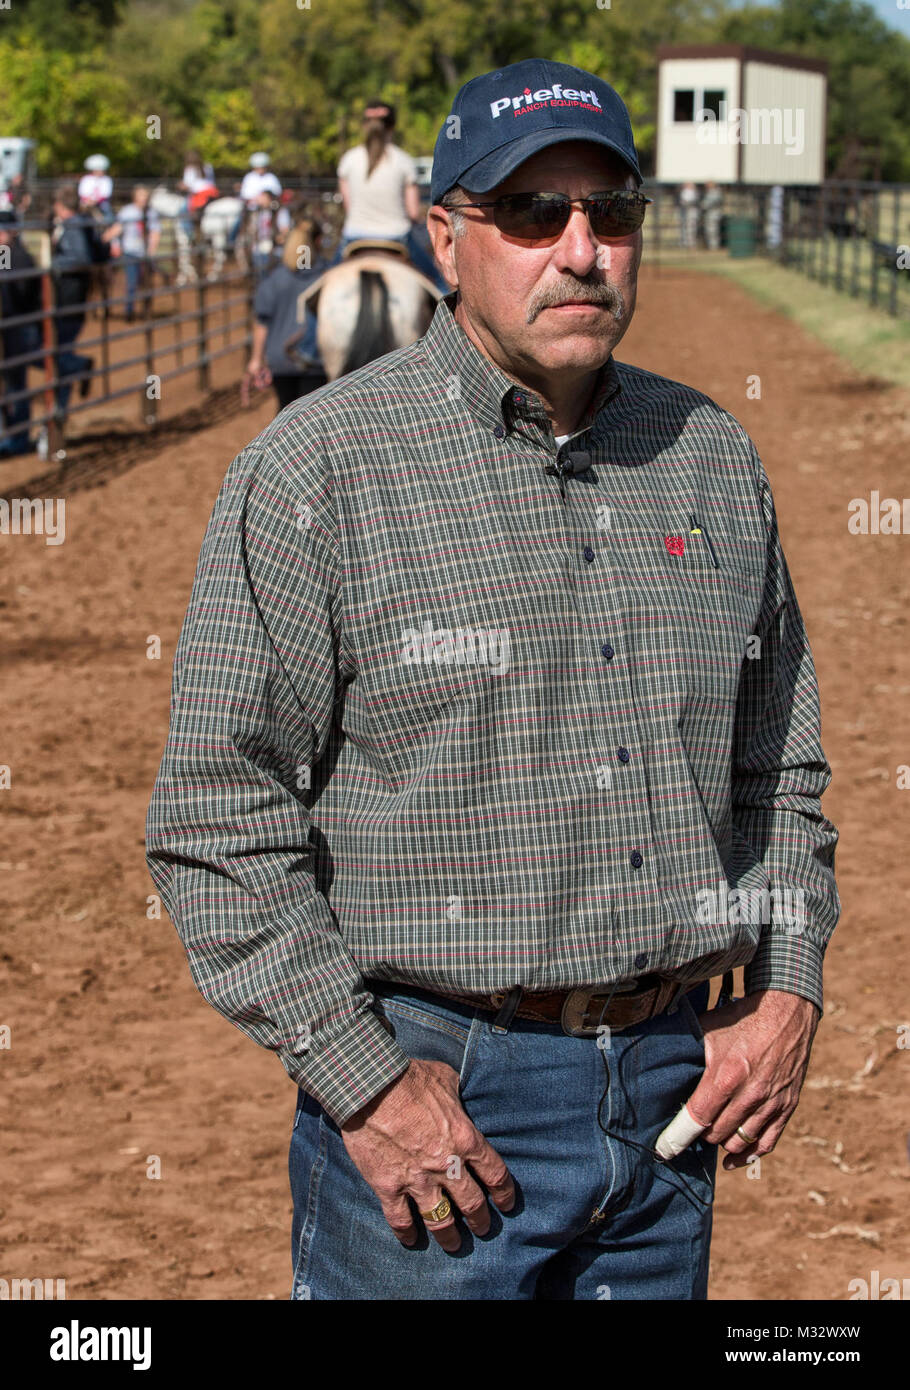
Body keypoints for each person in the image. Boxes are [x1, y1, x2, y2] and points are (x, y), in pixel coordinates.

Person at [146, 58, 840, 1301]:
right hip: (442, 1109)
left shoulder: (712, 460)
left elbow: (777, 772)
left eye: (609, 212)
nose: (580, 249)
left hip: (670, 1105)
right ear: (445, 236)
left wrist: (787, 983)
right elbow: (215, 820)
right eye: (531, 212)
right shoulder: (318, 472)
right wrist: (360, 1081)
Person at [335, 100, 447, 290]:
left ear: (364, 125)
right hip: (397, 237)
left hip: (354, 237)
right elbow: (412, 212)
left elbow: (348, 207)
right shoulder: (404, 161)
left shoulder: (348, 160)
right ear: (392, 126)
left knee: (319, 293)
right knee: (440, 284)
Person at [246, 205, 328, 410]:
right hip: (316, 362)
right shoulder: (328, 277)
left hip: (281, 361)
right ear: (317, 241)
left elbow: (261, 322)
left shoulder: (274, 279)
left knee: (285, 412)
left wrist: (256, 360)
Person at [51, 182, 106, 411]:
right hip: (72, 296)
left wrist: (53, 265)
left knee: (59, 350)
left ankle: (78, 369)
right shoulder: (79, 223)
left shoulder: (73, 225)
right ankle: (60, 405)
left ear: (60, 205)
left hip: (70, 297)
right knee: (60, 348)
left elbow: (82, 258)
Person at [0, 210, 41, 457]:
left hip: (19, 326)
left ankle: (19, 438)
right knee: (11, 383)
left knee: (17, 383)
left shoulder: (20, 256)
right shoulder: (6, 254)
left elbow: (19, 295)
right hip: (10, 327)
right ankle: (11, 435)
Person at [109, 185, 160, 321]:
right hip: (130, 252)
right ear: (135, 197)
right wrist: (112, 242)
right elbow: (117, 229)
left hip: (145, 253)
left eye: (145, 196)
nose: (144, 198)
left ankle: (146, 311)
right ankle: (129, 312)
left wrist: (152, 250)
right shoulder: (127, 212)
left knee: (147, 284)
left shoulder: (151, 213)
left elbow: (155, 233)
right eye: (141, 195)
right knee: (131, 283)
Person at [78, 154, 114, 222]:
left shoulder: (106, 179)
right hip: (87, 204)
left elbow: (105, 194)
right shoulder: (86, 179)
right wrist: (89, 201)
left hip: (101, 205)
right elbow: (82, 193)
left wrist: (95, 201)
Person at [701, 182, 724, 250]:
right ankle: (711, 245)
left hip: (714, 213)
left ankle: (714, 246)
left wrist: (704, 205)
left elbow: (714, 202)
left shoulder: (716, 192)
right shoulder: (709, 192)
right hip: (709, 214)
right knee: (709, 230)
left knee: (713, 230)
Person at [678, 180, 699, 248]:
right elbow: (681, 201)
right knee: (684, 228)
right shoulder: (683, 192)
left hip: (691, 212)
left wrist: (687, 203)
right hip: (684, 212)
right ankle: (685, 243)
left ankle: (691, 243)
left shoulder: (694, 192)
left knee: (691, 228)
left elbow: (694, 201)